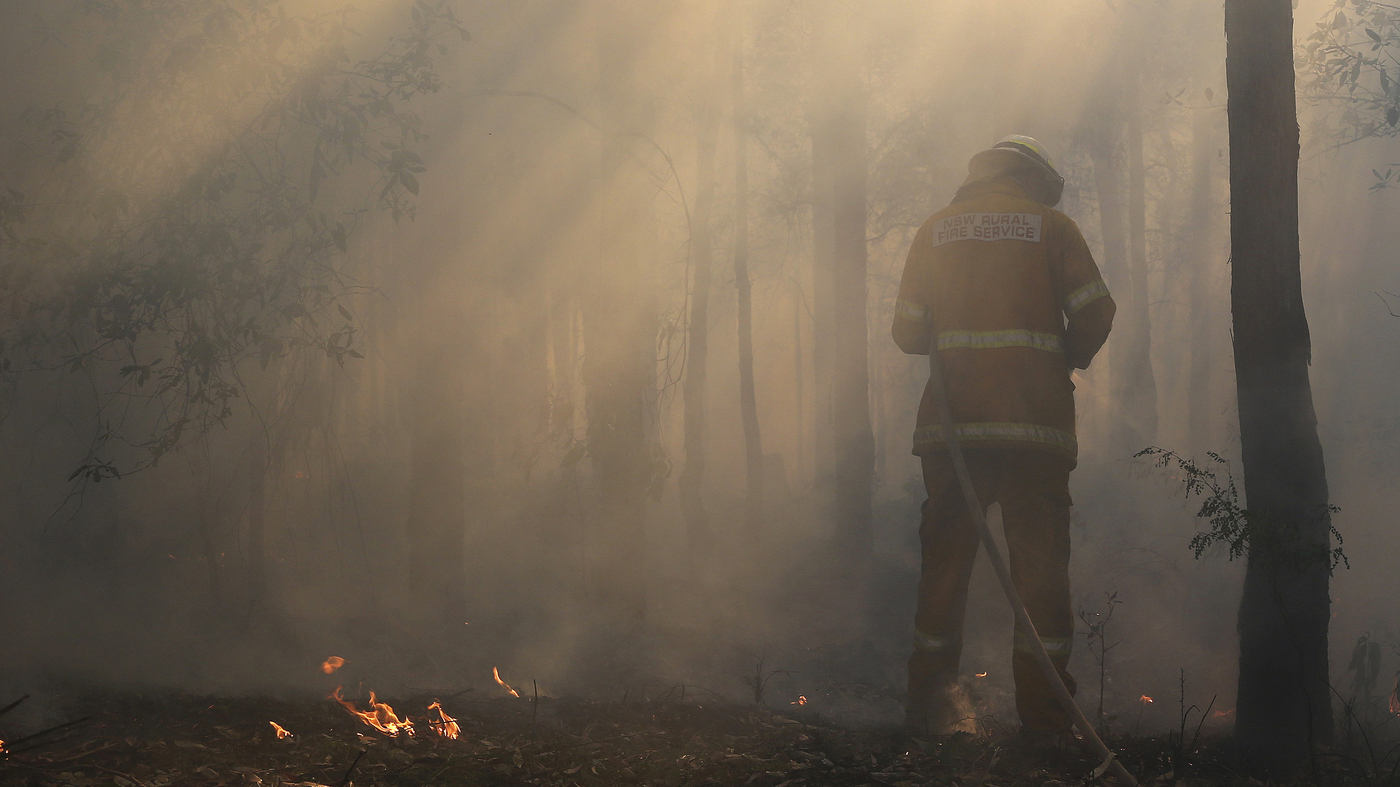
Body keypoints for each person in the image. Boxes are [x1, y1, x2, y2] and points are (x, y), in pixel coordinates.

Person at [891, 135, 1115, 740]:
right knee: (1040, 578)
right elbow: (1096, 311)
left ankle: (930, 713)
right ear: (1034, 179)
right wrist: (1060, 360)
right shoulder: (1052, 228)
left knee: (944, 573)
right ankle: (1046, 723)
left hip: (953, 435)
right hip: (1035, 436)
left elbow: (907, 332)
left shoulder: (935, 231)